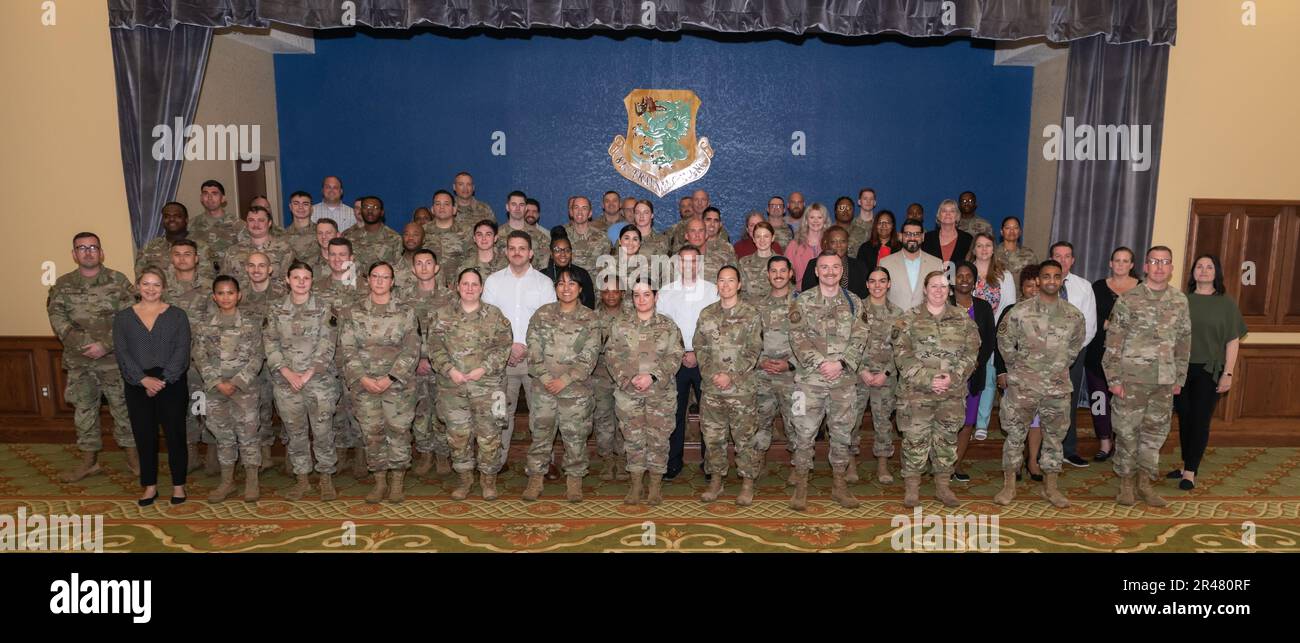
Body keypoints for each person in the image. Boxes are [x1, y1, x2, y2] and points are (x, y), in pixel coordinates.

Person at [1103, 246, 1192, 508]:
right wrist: (1114, 379)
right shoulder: (1128, 300)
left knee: (1154, 436)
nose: (1160, 266)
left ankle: (1145, 483)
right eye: (1155, 261)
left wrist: (1179, 377)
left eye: (1165, 262)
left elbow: (1184, 342)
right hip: (1131, 380)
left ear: (1172, 267)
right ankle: (1126, 485)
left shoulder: (1179, 301)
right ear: (1145, 266)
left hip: (1164, 380)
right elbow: (1113, 341)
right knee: (1127, 433)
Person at [47, 232, 139, 482]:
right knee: (84, 412)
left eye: (93, 247)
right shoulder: (63, 285)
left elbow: (130, 317)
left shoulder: (117, 280)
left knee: (124, 411)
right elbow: (58, 320)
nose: (88, 252)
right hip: (80, 363)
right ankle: (89, 462)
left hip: (114, 362)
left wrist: (105, 345)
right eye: (82, 248)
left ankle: (134, 460)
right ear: (74, 254)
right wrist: (85, 345)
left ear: (101, 252)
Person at [993, 260, 1085, 507]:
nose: (1051, 281)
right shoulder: (1019, 312)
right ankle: (1009, 486)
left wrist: (1059, 364)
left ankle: (1051, 488)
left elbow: (1076, 346)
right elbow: (1004, 341)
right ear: (1039, 280)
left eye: (1056, 276)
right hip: (1023, 386)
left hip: (1057, 387)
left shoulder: (1073, 315)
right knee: (1014, 435)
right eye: (1046, 276)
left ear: (1061, 280)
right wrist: (1016, 367)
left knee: (1054, 438)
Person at [787, 251, 869, 510]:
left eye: (835, 267)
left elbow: (860, 337)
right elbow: (797, 337)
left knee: (842, 435)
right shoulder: (802, 301)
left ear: (841, 271)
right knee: (803, 434)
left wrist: (841, 363)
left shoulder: (854, 301)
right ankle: (801, 487)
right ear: (816, 271)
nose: (830, 271)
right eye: (824, 267)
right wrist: (822, 363)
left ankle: (839, 486)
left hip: (843, 382)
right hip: (808, 381)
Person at [892, 271, 980, 508]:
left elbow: (972, 353)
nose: (939, 290)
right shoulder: (908, 319)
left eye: (943, 286)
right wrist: (929, 379)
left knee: (946, 441)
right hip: (916, 394)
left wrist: (953, 377)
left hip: (950, 393)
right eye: (934, 286)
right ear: (925, 289)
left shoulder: (963, 320)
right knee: (914, 441)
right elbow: (902, 355)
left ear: (949, 290)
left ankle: (943, 486)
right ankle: (912, 488)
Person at [427, 268, 514, 500]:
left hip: (489, 386)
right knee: (458, 436)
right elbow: (434, 347)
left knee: (490, 435)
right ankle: (465, 480)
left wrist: (483, 368)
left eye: (474, 284)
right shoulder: (442, 315)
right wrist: (450, 370)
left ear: (481, 288)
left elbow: (504, 346)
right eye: (465, 283)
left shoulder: (495, 315)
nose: (469, 288)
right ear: (457, 286)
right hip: (452, 387)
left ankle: (488, 481)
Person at [338, 262, 420, 504]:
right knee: (372, 433)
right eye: (375, 276)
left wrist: (391, 377)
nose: (380, 281)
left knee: (398, 431)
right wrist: (363, 378)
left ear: (393, 281)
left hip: (398, 384)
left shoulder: (405, 311)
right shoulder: (353, 311)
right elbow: (347, 348)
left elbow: (412, 348)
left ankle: (397, 482)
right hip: (364, 384)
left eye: (386, 277)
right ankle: (380, 481)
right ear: (368, 280)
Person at [112, 267, 191, 506]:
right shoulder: (124, 318)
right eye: (146, 284)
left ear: (164, 288)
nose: (151, 289)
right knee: (144, 436)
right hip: (137, 383)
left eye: (156, 284)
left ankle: (179, 485)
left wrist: (163, 380)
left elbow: (182, 350)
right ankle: (150, 486)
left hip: (172, 382)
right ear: (138, 286)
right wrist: (142, 380)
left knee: (175, 435)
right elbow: (122, 352)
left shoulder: (177, 315)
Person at [522, 269, 602, 502]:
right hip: (544, 388)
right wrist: (547, 379)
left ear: (580, 289)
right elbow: (533, 347)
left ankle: (574, 481)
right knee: (540, 434)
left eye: (571, 284)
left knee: (575, 437)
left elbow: (590, 355)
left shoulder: (590, 319)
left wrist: (564, 380)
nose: (565, 288)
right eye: (561, 283)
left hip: (575, 391)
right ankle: (536, 478)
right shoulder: (542, 314)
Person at [1168, 254, 1247, 490]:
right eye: (1199, 266)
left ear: (1216, 273)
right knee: (1184, 418)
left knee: (1200, 420)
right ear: (1193, 272)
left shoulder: (1226, 303)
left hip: (1210, 370)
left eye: (1209, 267)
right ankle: (1186, 464)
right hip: (1181, 368)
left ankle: (1190, 472)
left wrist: (1228, 373)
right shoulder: (1182, 301)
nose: (1204, 270)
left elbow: (1233, 341)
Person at [264, 261, 340, 500]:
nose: (301, 282)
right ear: (287, 279)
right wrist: (287, 373)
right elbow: (270, 343)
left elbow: (328, 343)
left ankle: (326, 478)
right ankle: (303, 480)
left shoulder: (324, 307)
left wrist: (308, 374)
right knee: (295, 433)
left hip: (318, 382)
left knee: (323, 432)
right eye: (296, 277)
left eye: (306, 278)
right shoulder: (275, 309)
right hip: (287, 382)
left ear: (312, 280)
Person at [483, 230, 558, 473]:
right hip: (500, 361)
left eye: (522, 248)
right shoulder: (494, 281)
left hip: (535, 359)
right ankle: (497, 461)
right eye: (512, 248)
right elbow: (487, 321)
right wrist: (508, 348)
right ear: (505, 252)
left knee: (541, 415)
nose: (517, 252)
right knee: (500, 412)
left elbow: (548, 323)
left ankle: (542, 464)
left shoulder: (544, 283)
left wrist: (526, 347)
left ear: (531, 253)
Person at [605, 279, 684, 505]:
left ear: (656, 297)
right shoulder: (620, 324)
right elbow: (611, 354)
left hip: (660, 392)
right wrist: (628, 378)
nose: (641, 300)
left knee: (659, 439)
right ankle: (636, 484)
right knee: (633, 439)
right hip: (629, 392)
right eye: (637, 295)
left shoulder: (668, 326)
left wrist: (652, 376)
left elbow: (675, 355)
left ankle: (656, 486)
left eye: (647, 294)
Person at [693, 265, 763, 505]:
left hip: (741, 389)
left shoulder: (751, 314)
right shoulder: (707, 314)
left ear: (739, 284)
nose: (726, 285)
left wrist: (730, 375)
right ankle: (716, 480)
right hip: (712, 388)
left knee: (744, 438)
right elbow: (699, 347)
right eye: (721, 281)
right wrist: (713, 373)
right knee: (713, 437)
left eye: (730, 281)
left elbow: (754, 349)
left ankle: (747, 482)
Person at [193, 275, 265, 503]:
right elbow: (199, 356)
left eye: (230, 292)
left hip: (244, 389)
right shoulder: (204, 326)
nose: (226, 297)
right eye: (221, 293)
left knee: (248, 435)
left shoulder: (251, 324)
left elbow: (257, 356)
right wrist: (216, 382)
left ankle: (252, 481)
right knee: (223, 435)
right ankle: (227, 481)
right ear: (214, 297)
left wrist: (237, 382)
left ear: (239, 295)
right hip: (215, 389)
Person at [656, 246, 719, 480]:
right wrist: (682, 352)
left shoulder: (713, 291)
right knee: (675, 413)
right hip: (676, 359)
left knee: (710, 414)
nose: (688, 266)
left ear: (699, 264)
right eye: (684, 261)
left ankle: (710, 464)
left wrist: (698, 354)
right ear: (677, 264)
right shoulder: (666, 291)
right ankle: (673, 463)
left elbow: (716, 329)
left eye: (693, 261)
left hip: (706, 360)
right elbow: (663, 328)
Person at [403, 248, 457, 478]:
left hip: (443, 366)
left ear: (436, 268)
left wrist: (437, 360)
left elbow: (455, 334)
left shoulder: (450, 298)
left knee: (442, 411)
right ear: (413, 269)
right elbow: (402, 334)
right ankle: (425, 452)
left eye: (428, 263)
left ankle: (443, 454)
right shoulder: (404, 299)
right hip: (414, 366)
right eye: (419, 263)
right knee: (420, 411)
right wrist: (417, 360)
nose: (424, 267)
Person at [994, 265, 1047, 482]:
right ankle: (1014, 463)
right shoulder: (1010, 312)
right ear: (1022, 288)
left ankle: (1032, 461)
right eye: (1029, 286)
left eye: (1037, 286)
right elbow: (1000, 344)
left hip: (1042, 378)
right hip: (1016, 377)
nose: (1034, 290)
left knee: (1037, 421)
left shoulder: (1051, 312)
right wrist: (1001, 372)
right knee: (1015, 422)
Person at [1087, 247, 1140, 461]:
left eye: (1125, 261)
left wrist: (1119, 327)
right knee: (1099, 401)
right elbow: (1090, 316)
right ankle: (1105, 443)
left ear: (1132, 265)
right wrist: (1106, 324)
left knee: (1125, 404)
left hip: (1129, 359)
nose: (1120, 264)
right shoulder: (1098, 287)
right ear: (1110, 263)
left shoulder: (1141, 289)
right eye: (1116, 260)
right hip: (1098, 356)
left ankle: (1124, 444)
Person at [855, 266, 905, 485]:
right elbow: (848, 343)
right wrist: (861, 370)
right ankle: (850, 463)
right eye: (873, 281)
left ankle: (883, 465)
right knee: (851, 421)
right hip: (858, 375)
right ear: (866, 284)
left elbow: (901, 348)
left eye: (882, 281)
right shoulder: (856, 309)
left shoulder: (898, 314)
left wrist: (886, 372)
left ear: (889, 284)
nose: (877, 285)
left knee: (883, 421)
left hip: (886, 376)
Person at [948, 262, 996, 482]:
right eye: (960, 275)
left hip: (974, 375)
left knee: (967, 422)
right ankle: (941, 465)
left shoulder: (984, 307)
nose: (964, 279)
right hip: (946, 376)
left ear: (975, 281)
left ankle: (954, 466)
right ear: (953, 279)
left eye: (969, 276)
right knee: (945, 422)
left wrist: (975, 363)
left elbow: (989, 341)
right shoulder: (943, 303)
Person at [1052, 241, 1098, 468]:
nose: (1062, 260)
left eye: (1067, 256)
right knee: (1046, 402)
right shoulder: (1042, 284)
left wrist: (1073, 351)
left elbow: (1090, 324)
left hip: (1075, 354)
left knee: (1068, 402)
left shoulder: (1084, 287)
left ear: (1073, 260)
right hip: (1045, 356)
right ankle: (1043, 449)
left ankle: (1068, 450)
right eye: (1057, 255)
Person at [967, 232, 1017, 440]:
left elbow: (1009, 308)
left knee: (987, 378)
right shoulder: (964, 271)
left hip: (991, 333)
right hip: (965, 333)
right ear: (974, 249)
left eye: (988, 245)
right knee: (966, 377)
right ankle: (965, 420)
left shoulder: (1003, 275)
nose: (984, 249)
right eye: (980, 246)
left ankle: (981, 423)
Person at [754, 256, 799, 476]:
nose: (778, 275)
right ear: (768, 274)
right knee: (761, 420)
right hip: (764, 374)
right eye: (774, 271)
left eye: (783, 270)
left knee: (796, 423)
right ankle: (759, 459)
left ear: (790, 273)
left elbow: (811, 339)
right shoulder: (758, 305)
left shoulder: (803, 303)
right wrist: (761, 361)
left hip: (794, 376)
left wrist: (789, 363)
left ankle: (796, 465)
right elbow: (751, 339)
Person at [593, 276, 630, 481]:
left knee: (624, 419)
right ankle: (607, 459)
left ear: (623, 294)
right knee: (603, 419)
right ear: (600, 293)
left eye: (615, 291)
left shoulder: (632, 317)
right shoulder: (591, 318)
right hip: (600, 376)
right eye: (606, 291)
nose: (610, 295)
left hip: (626, 377)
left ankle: (623, 458)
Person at [878, 219, 944, 310]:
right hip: (894, 320)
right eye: (908, 234)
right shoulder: (885, 263)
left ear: (923, 237)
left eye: (916, 234)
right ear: (900, 236)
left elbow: (942, 295)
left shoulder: (936, 263)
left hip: (926, 321)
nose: (912, 238)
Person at [220, 205, 293, 284]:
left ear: (269, 223)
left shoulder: (284, 249)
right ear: (246, 224)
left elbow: (290, 282)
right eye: (251, 220)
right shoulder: (233, 252)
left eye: (261, 220)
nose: (256, 224)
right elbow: (223, 283)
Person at [343, 196, 402, 283]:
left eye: (375, 208)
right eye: (366, 207)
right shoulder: (349, 237)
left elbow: (398, 269)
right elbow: (346, 268)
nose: (370, 211)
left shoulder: (394, 238)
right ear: (361, 211)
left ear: (382, 212)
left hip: (382, 288)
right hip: (356, 289)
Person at [800, 224, 868, 298]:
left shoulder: (860, 266)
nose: (839, 245)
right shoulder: (814, 264)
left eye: (843, 241)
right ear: (827, 244)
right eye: (833, 242)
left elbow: (864, 295)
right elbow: (806, 292)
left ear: (847, 243)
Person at [136, 201, 203, 275]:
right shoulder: (149, 248)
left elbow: (208, 278)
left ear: (186, 220)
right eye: (167, 216)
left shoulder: (201, 246)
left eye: (177, 216)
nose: (171, 219)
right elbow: (140, 277)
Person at [423, 190, 471, 287]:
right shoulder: (422, 232)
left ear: (454, 209)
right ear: (432, 209)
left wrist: (460, 280)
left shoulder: (466, 231)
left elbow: (472, 259)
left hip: (458, 287)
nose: (441, 207)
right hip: (429, 286)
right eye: (438, 204)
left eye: (446, 204)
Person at [191, 180, 242, 266]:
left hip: (228, 276)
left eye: (214, 193)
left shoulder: (238, 225)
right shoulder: (191, 224)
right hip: (200, 277)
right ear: (201, 198)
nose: (210, 197)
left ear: (223, 199)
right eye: (205, 194)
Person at [497, 191, 550, 269]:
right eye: (514, 204)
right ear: (507, 207)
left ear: (525, 208)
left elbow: (543, 267)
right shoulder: (496, 235)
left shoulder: (539, 237)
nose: (517, 208)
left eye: (521, 205)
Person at [542, 234, 595, 309]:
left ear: (571, 253)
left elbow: (589, 305)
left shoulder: (582, 274)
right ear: (551, 253)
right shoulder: (542, 275)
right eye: (557, 250)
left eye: (567, 250)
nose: (563, 254)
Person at [784, 202, 829, 285]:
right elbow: (786, 272)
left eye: (819, 217)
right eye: (812, 217)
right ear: (806, 221)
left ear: (825, 221)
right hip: (800, 293)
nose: (815, 221)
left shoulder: (830, 244)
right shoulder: (794, 245)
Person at [564, 195, 611, 272]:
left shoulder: (603, 238)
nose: (580, 212)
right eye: (576, 207)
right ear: (571, 212)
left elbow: (605, 269)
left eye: (584, 208)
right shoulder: (562, 236)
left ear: (590, 214)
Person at [922, 198, 973, 268]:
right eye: (944, 211)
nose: (948, 214)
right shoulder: (927, 238)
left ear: (957, 215)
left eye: (952, 211)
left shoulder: (967, 239)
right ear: (938, 216)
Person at [736, 221, 779, 300]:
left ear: (772, 238)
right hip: (749, 309)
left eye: (766, 236)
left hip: (776, 308)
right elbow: (740, 291)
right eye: (758, 236)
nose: (762, 240)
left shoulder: (782, 262)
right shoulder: (743, 262)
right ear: (754, 239)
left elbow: (788, 291)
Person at [995, 216, 1039, 290]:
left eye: (1015, 228)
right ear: (1002, 232)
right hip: (998, 297)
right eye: (1008, 228)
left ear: (1020, 232)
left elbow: (1036, 278)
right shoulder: (993, 253)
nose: (1012, 231)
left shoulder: (1029, 254)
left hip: (1021, 298)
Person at [855, 210, 902, 275]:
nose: (883, 225)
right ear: (875, 226)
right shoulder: (865, 248)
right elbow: (859, 272)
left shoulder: (900, 248)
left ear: (893, 226)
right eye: (880, 222)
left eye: (887, 222)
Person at [284, 191, 320, 263]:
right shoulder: (282, 235)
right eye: (296, 204)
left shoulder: (321, 232)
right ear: (290, 207)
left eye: (305, 204)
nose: (300, 207)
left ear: (311, 208)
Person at [392, 221, 426, 293]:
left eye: (415, 235)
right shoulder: (391, 268)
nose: (410, 238)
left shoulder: (431, 269)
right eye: (406, 234)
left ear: (423, 239)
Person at [846, 188, 878, 252]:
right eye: (865, 198)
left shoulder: (879, 226)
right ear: (859, 202)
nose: (868, 201)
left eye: (871, 199)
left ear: (874, 203)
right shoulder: (850, 225)